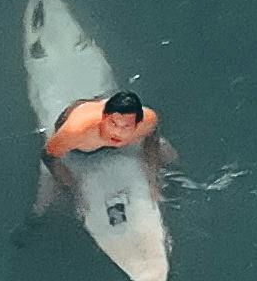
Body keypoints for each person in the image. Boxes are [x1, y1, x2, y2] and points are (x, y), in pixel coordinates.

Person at [35, 87, 172, 218]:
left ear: (137, 124)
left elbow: (151, 141)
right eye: (113, 124)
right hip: (81, 139)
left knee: (170, 156)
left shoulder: (147, 121)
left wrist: (152, 179)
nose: (118, 132)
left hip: (106, 129)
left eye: (126, 126)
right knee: (50, 200)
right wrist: (72, 187)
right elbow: (48, 156)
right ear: (104, 117)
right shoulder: (76, 131)